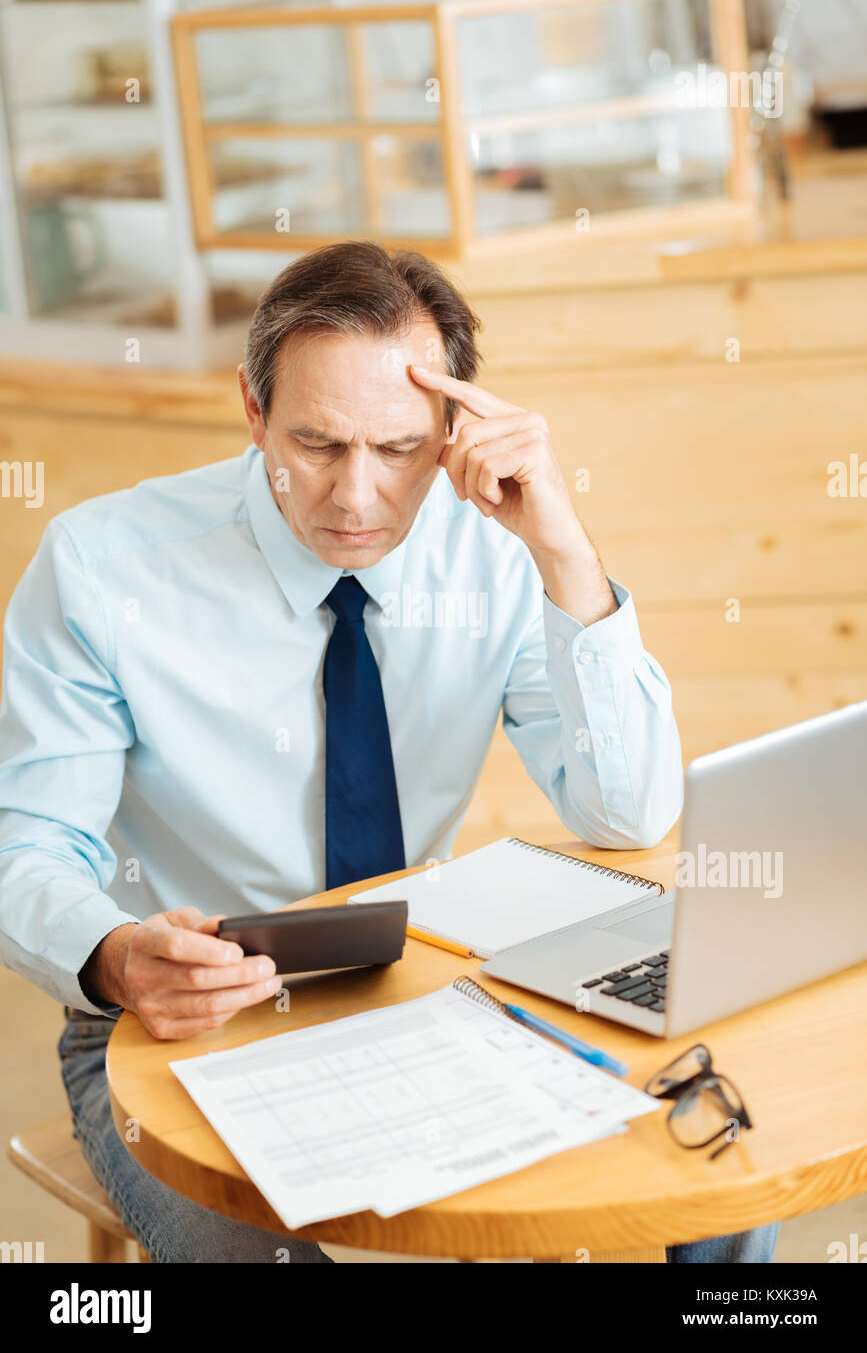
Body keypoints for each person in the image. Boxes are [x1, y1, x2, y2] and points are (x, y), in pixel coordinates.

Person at [0, 240, 777, 1264]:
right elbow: (27, 844)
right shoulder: (104, 567)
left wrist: (566, 554)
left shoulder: (493, 549)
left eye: (400, 449)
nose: (356, 498)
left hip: (420, 981)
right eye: (315, 444)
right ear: (252, 408)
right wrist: (111, 955)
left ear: (455, 427)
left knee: (718, 1176)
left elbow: (625, 814)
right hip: (174, 1024)